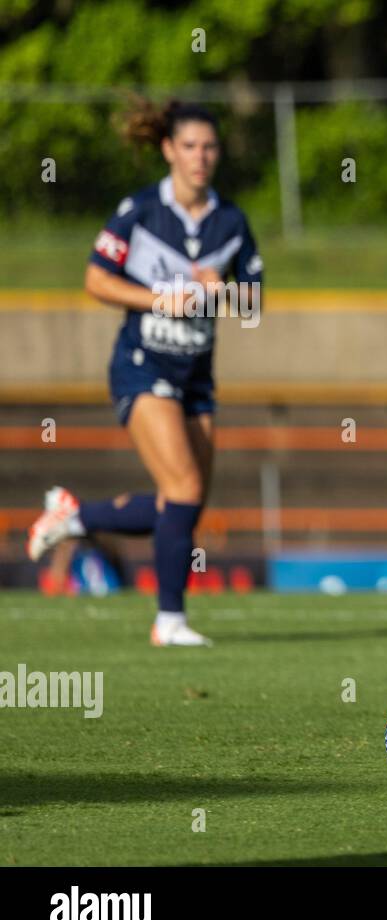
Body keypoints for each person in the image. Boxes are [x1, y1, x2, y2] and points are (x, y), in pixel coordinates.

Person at [27, 98, 263, 647]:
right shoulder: (138, 210)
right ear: (167, 150)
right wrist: (161, 298)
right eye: (189, 146)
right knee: (181, 487)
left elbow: (254, 303)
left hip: (196, 377)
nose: (200, 157)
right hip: (141, 365)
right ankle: (170, 622)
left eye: (209, 147)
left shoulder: (232, 220)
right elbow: (95, 279)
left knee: (184, 501)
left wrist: (220, 291)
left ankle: (75, 516)